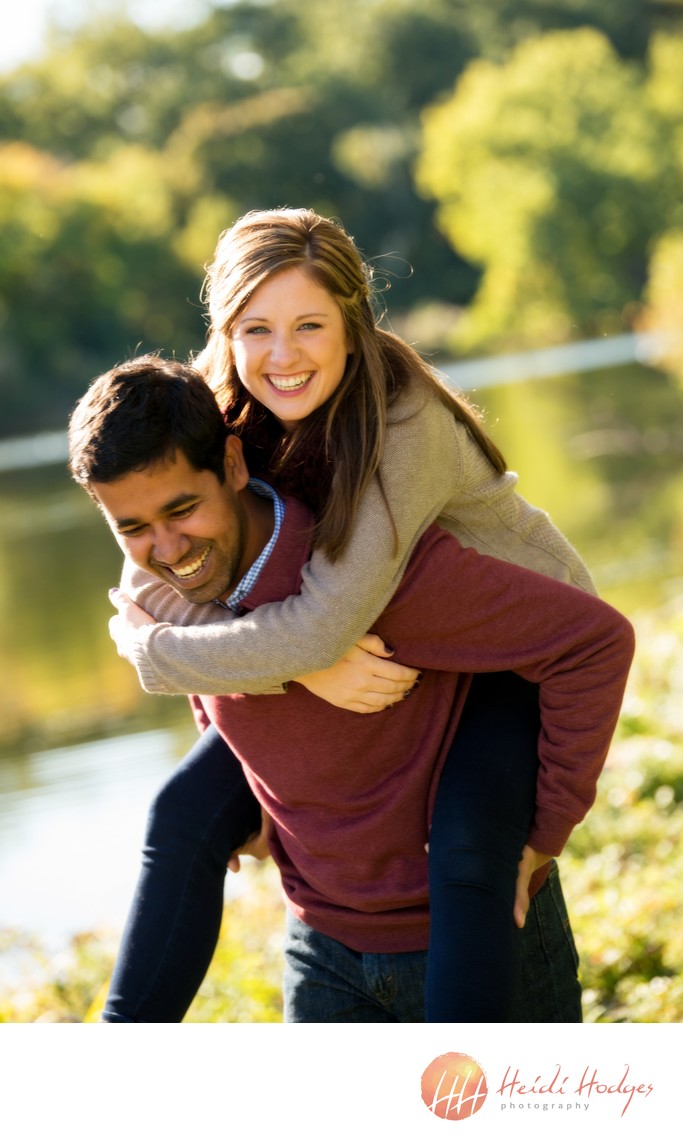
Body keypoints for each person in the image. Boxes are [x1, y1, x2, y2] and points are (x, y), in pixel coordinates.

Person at [79, 208, 606, 1024]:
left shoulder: (401, 425)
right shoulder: (225, 412)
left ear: (353, 328)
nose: (282, 355)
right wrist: (240, 710)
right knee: (182, 812)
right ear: (223, 334)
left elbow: (319, 630)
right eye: (255, 328)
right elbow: (164, 575)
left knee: (468, 858)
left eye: (309, 326)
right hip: (370, 637)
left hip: (507, 658)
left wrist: (161, 656)